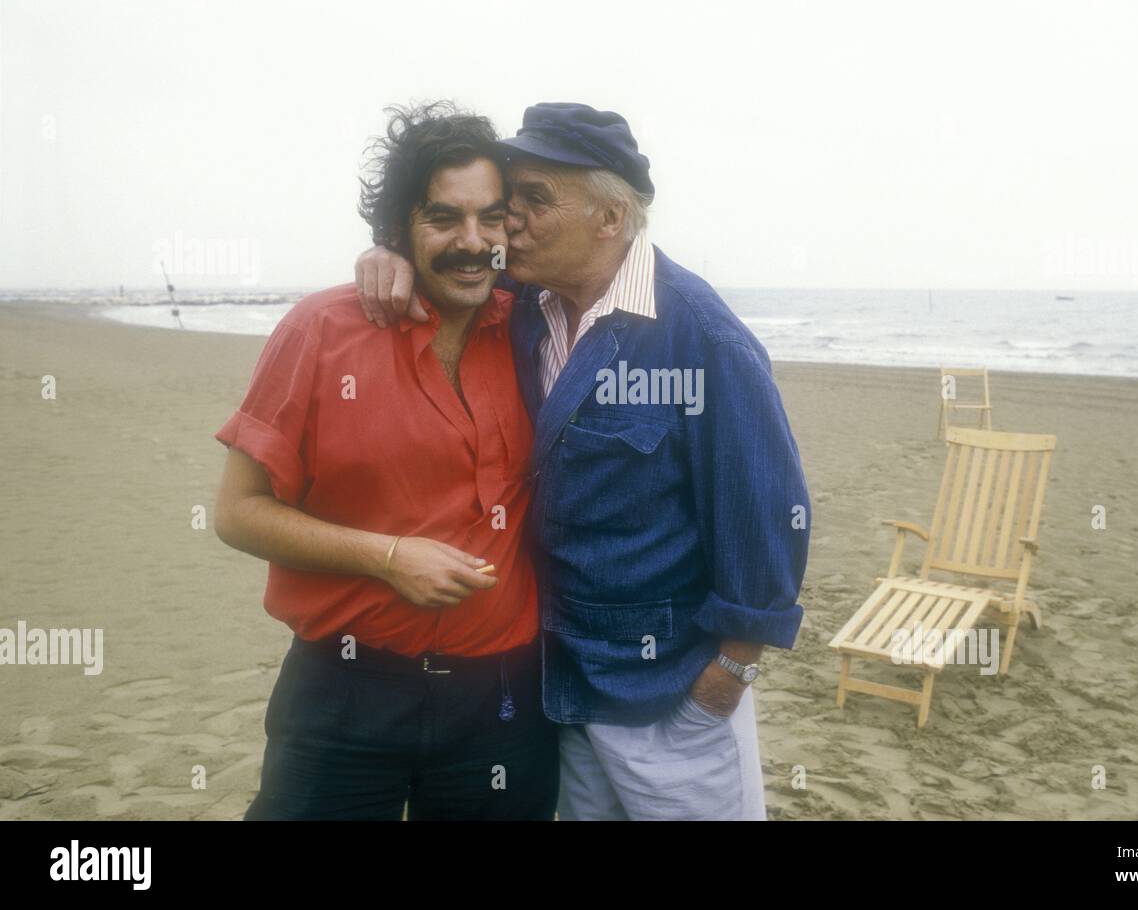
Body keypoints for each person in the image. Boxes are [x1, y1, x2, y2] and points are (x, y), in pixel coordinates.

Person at [355, 102, 810, 820]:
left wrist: (729, 673)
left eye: (536, 201)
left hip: (670, 697)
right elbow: (450, 266)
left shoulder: (700, 337)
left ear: (610, 218)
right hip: (558, 689)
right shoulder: (525, 307)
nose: (511, 225)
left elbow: (768, 516)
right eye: (514, 202)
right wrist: (390, 255)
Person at [214, 102, 556, 820]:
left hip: (502, 704)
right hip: (344, 697)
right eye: (443, 218)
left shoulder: (534, 325)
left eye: (491, 218)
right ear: (399, 226)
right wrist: (387, 556)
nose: (474, 242)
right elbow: (237, 514)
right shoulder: (321, 331)